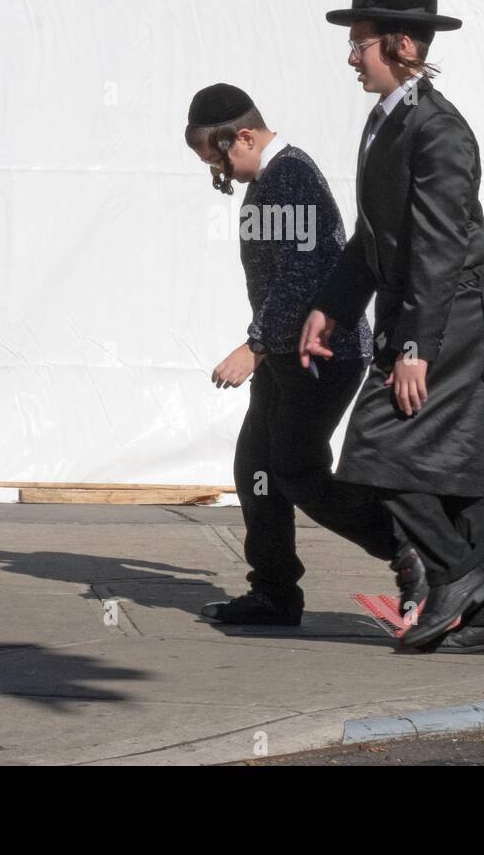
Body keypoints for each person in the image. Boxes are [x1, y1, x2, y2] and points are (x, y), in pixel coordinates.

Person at [299, 0, 484, 655]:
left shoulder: (440, 131)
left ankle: (459, 578)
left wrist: (414, 348)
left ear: (399, 44)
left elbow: (437, 245)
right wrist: (333, 306)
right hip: (428, 311)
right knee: (451, 475)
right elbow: (378, 234)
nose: (350, 57)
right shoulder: (388, 119)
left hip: (452, 315)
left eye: (360, 43)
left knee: (376, 449)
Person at [184, 83, 426, 627]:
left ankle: (411, 549)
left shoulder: (287, 176)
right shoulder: (272, 177)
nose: (217, 173)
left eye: (217, 158)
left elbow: (300, 277)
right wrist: (266, 346)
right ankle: (274, 593)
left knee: (298, 472)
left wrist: (253, 347)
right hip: (286, 355)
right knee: (257, 468)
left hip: (322, 355)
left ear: (243, 135)